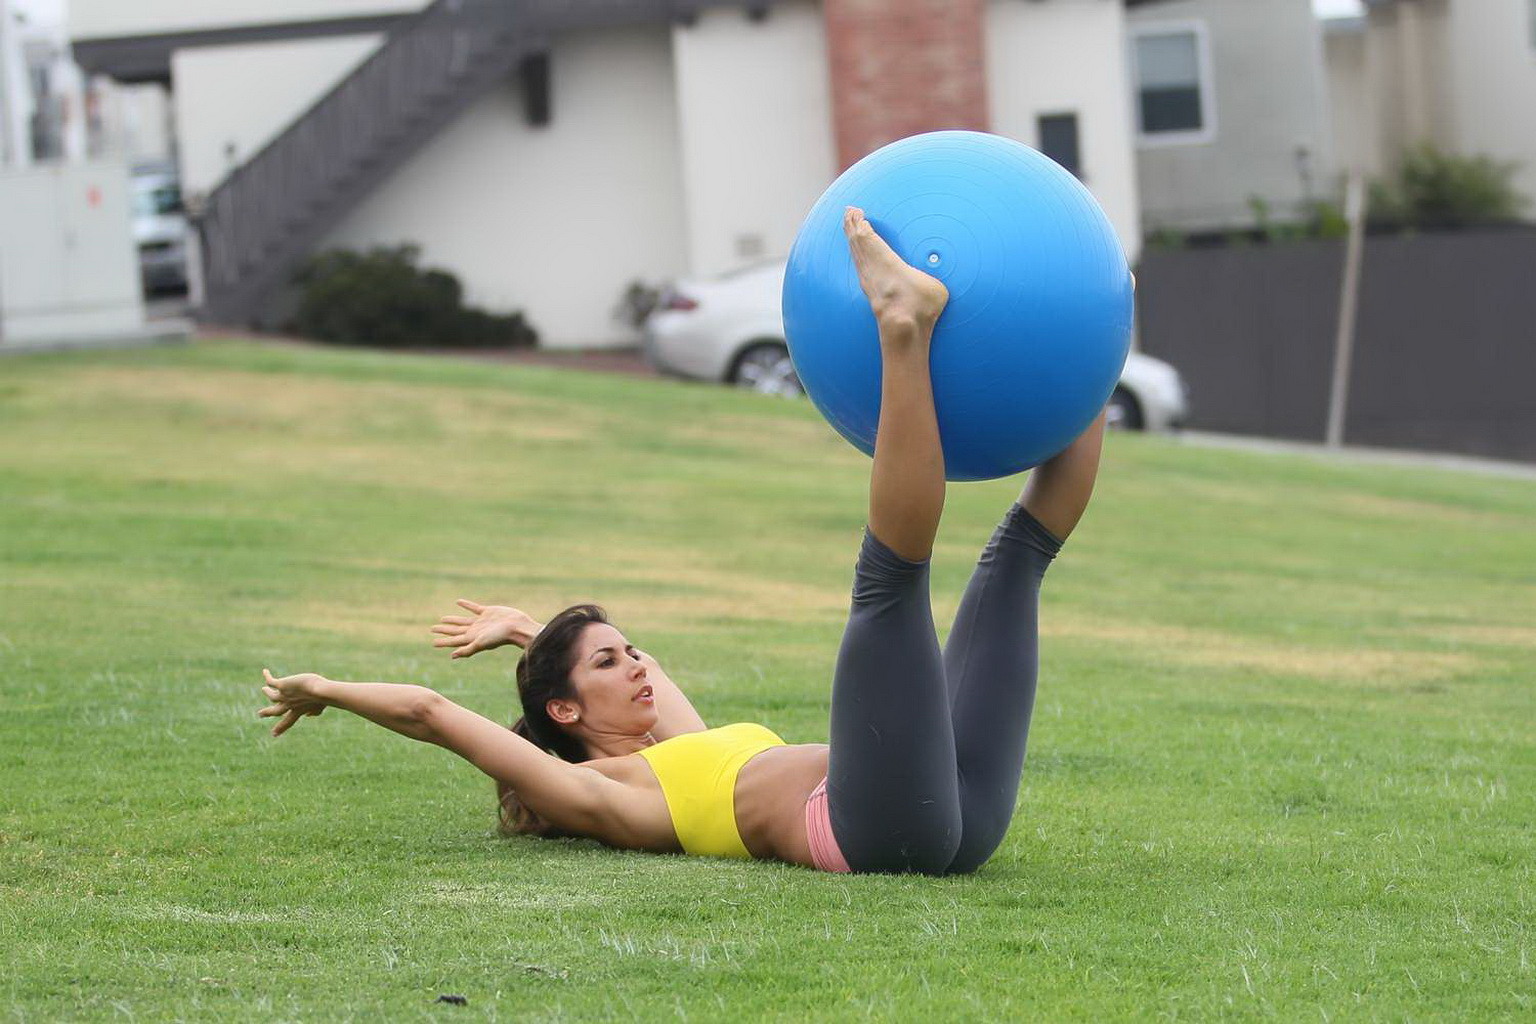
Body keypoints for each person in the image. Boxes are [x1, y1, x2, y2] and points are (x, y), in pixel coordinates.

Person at [258, 207, 1107, 875]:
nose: (637, 664)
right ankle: (901, 327)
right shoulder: (606, 794)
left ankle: (1098, 339)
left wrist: (531, 633)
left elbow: (646, 677)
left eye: (627, 650)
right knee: (890, 581)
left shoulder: (686, 745)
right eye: (608, 664)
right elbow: (432, 712)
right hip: (875, 830)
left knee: (1017, 560)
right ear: (564, 713)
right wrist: (327, 687)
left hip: (959, 822)